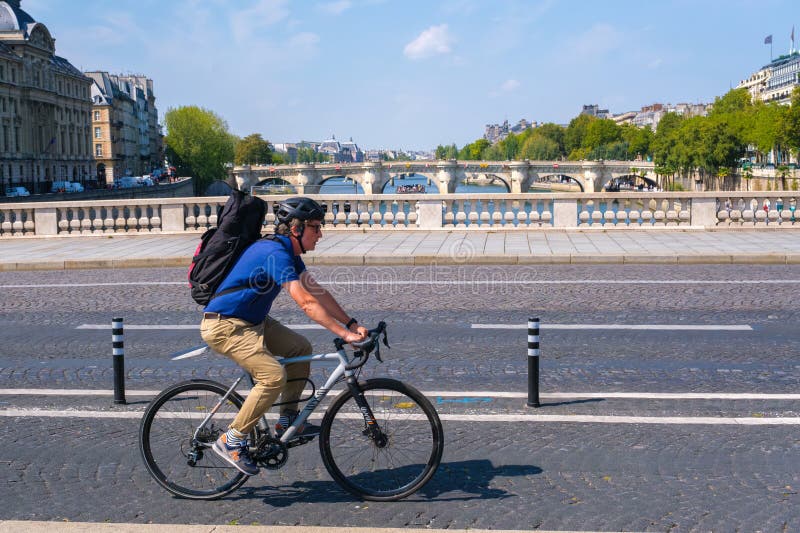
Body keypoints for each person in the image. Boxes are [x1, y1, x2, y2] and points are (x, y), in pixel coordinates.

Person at [201, 196, 367, 476]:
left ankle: (288, 421)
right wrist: (344, 334)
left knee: (299, 348)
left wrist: (351, 322)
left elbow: (317, 293)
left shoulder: (289, 253)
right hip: (225, 326)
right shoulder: (274, 253)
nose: (321, 234)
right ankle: (231, 440)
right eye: (316, 227)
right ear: (295, 228)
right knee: (273, 377)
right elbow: (306, 303)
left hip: (253, 322)